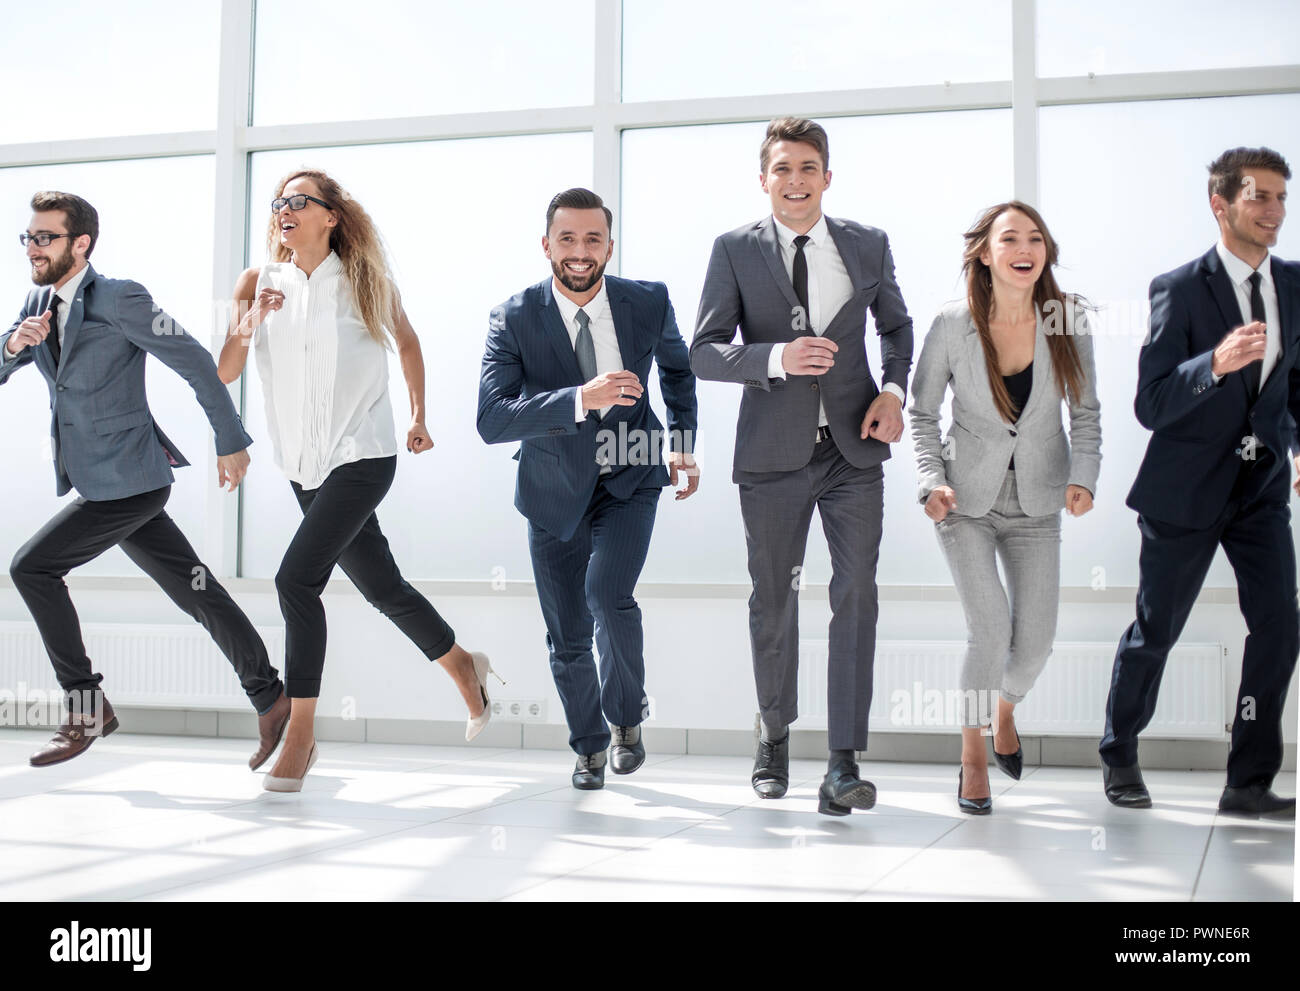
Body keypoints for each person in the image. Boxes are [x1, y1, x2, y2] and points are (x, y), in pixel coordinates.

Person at [219, 169, 494, 793]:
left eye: (300, 201)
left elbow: (409, 345)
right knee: (383, 586)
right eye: (279, 202)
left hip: (364, 455)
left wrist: (420, 416)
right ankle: (463, 665)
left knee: (296, 581)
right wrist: (250, 320)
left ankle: (302, 736)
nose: (286, 210)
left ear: (330, 216)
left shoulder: (367, 282)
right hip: (303, 465)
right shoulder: (255, 282)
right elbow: (226, 370)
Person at [1, 191, 290, 770]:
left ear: (80, 243)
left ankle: (87, 707)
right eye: (28, 237)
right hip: (103, 479)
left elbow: (193, 361)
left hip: (131, 481)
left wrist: (230, 439)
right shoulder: (38, 301)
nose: (33, 248)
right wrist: (13, 345)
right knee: (195, 590)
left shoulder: (120, 297)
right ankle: (271, 696)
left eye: (45, 237)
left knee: (32, 567)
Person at [691, 117, 912, 816]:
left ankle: (843, 762)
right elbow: (703, 350)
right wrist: (776, 359)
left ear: (826, 176)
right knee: (774, 599)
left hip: (853, 452)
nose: (795, 180)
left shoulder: (868, 244)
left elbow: (897, 329)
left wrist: (894, 391)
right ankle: (774, 735)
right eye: (782, 168)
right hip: (771, 456)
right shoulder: (733, 250)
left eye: (808, 166)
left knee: (856, 593)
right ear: (764, 179)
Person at [1100, 147, 1299, 819]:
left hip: (1261, 490)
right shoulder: (1179, 288)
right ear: (1221, 204)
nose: (1274, 210)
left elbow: (1292, 391)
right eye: (1260, 197)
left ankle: (1247, 779)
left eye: (1280, 197)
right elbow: (1150, 402)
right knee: (1156, 629)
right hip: (1184, 490)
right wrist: (1211, 364)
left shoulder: (1297, 286)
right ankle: (1119, 750)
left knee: (1279, 626)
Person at [478, 187, 699, 790]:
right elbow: (492, 419)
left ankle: (627, 719)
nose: (580, 252)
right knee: (568, 632)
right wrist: (581, 398)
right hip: (552, 488)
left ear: (609, 244)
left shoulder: (647, 302)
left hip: (632, 471)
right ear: (546, 244)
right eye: (567, 239)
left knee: (607, 593)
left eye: (593, 239)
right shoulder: (513, 317)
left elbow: (678, 370)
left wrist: (681, 439)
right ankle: (589, 746)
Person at [910, 201, 1101, 814]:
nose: (1025, 247)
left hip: (1039, 500)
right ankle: (971, 757)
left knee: (1037, 642)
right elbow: (921, 414)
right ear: (985, 252)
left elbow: (1087, 411)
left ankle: (1005, 711)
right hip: (965, 500)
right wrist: (928, 482)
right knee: (989, 628)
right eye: (1010, 237)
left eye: (1036, 238)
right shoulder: (950, 323)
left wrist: (1084, 477)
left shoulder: (1067, 319)